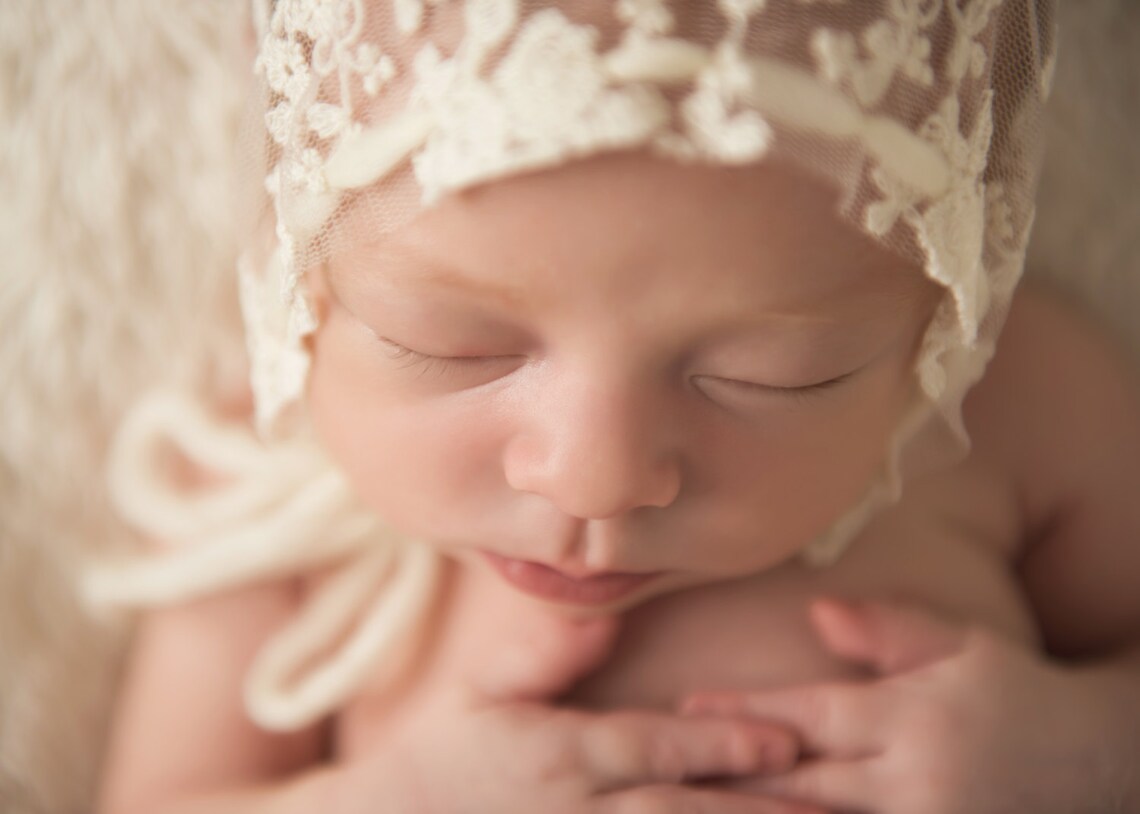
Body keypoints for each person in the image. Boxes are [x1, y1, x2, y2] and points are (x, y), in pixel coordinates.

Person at [87, 1, 1140, 812]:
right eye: (449, 347)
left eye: (774, 374)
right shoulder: (263, 506)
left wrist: (1088, 749)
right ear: (297, 271)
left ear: (941, 312)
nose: (594, 476)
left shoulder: (1023, 407)